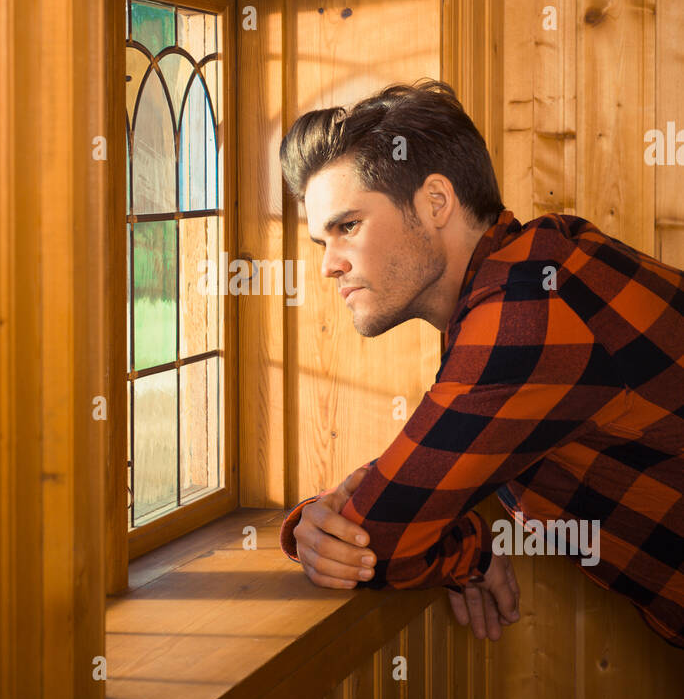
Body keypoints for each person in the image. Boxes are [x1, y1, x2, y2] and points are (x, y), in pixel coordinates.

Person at [278, 80, 684, 648]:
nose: (329, 266)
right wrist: (453, 534)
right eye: (321, 240)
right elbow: (442, 463)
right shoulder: (537, 265)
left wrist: (453, 545)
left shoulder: (528, 313)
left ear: (435, 202)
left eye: (347, 227)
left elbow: (379, 539)